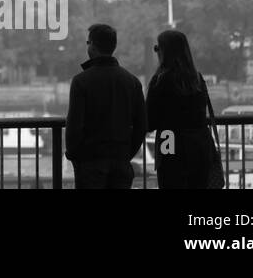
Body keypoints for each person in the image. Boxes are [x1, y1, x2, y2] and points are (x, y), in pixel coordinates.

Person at [65, 23, 148, 189]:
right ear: (113, 46)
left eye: (88, 42)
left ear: (93, 47)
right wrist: (126, 154)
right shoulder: (132, 82)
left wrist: (75, 156)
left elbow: (74, 126)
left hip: (90, 164)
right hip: (121, 161)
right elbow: (141, 125)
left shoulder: (81, 81)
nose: (87, 46)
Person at [146, 29, 214, 189]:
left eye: (158, 48)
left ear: (164, 51)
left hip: (168, 142)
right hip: (199, 146)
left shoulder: (160, 80)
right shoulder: (197, 79)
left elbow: (149, 121)